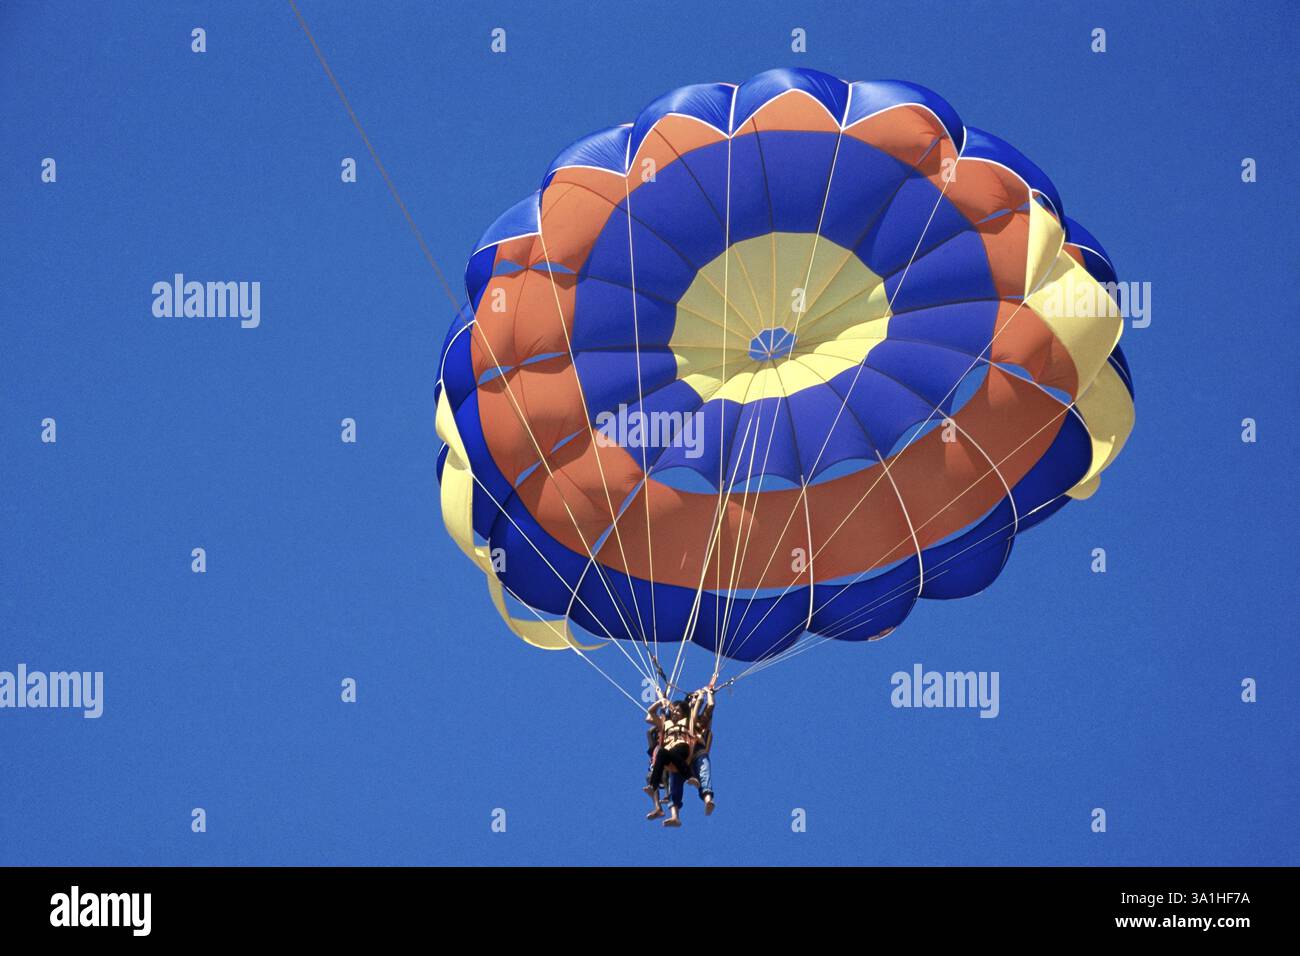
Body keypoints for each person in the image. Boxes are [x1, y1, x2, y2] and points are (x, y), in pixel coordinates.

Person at [643, 698, 694, 826]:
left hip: (681, 752)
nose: (675, 712)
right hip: (667, 757)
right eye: (674, 710)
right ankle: (666, 812)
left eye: (678, 711)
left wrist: (700, 696)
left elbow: (697, 708)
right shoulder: (665, 723)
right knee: (654, 776)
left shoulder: (688, 721)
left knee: (675, 785)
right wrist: (661, 701)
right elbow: (649, 714)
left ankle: (690, 777)